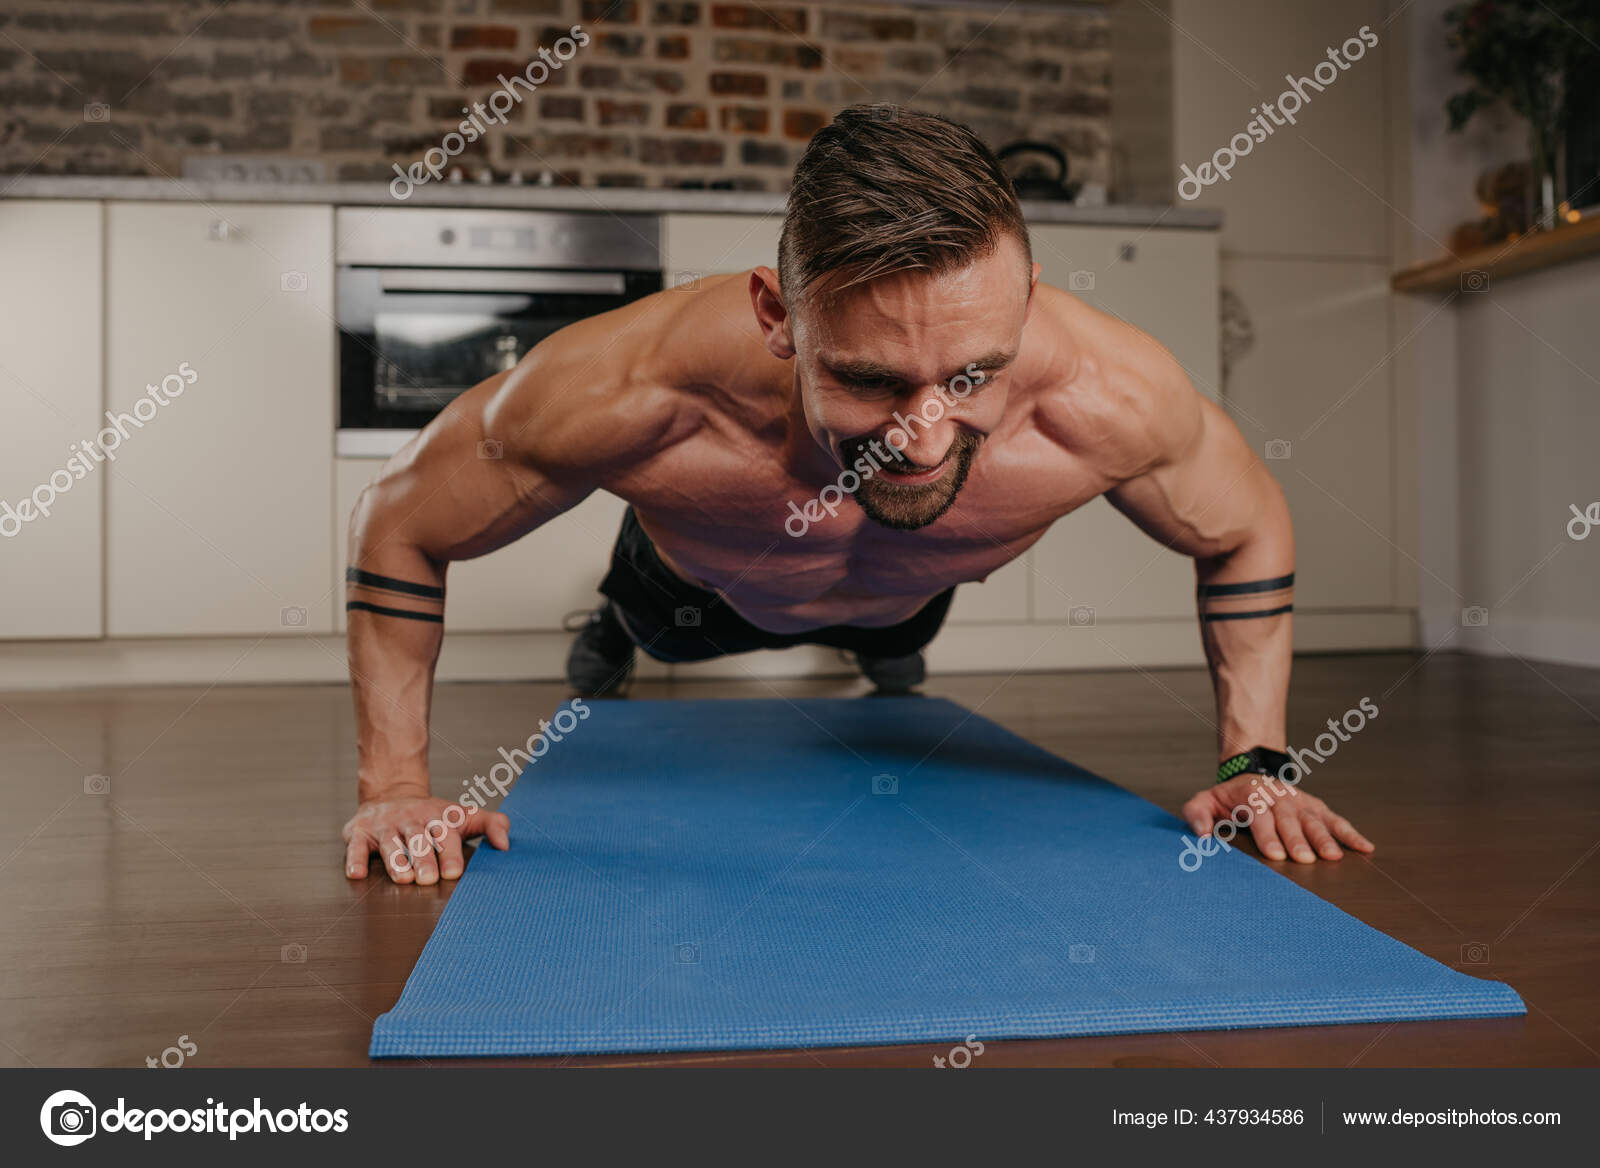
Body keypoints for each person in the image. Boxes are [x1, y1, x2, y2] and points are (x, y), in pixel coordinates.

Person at [340, 105, 1374, 885]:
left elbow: (1245, 526)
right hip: (693, 589)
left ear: (1024, 297)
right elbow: (399, 522)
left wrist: (1255, 761)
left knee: (899, 609)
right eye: (871, 379)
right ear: (774, 314)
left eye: (971, 376)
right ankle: (618, 629)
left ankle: (884, 639)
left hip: (913, 582)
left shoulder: (1111, 395)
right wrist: (392, 790)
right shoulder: (631, 387)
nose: (922, 438)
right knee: (649, 618)